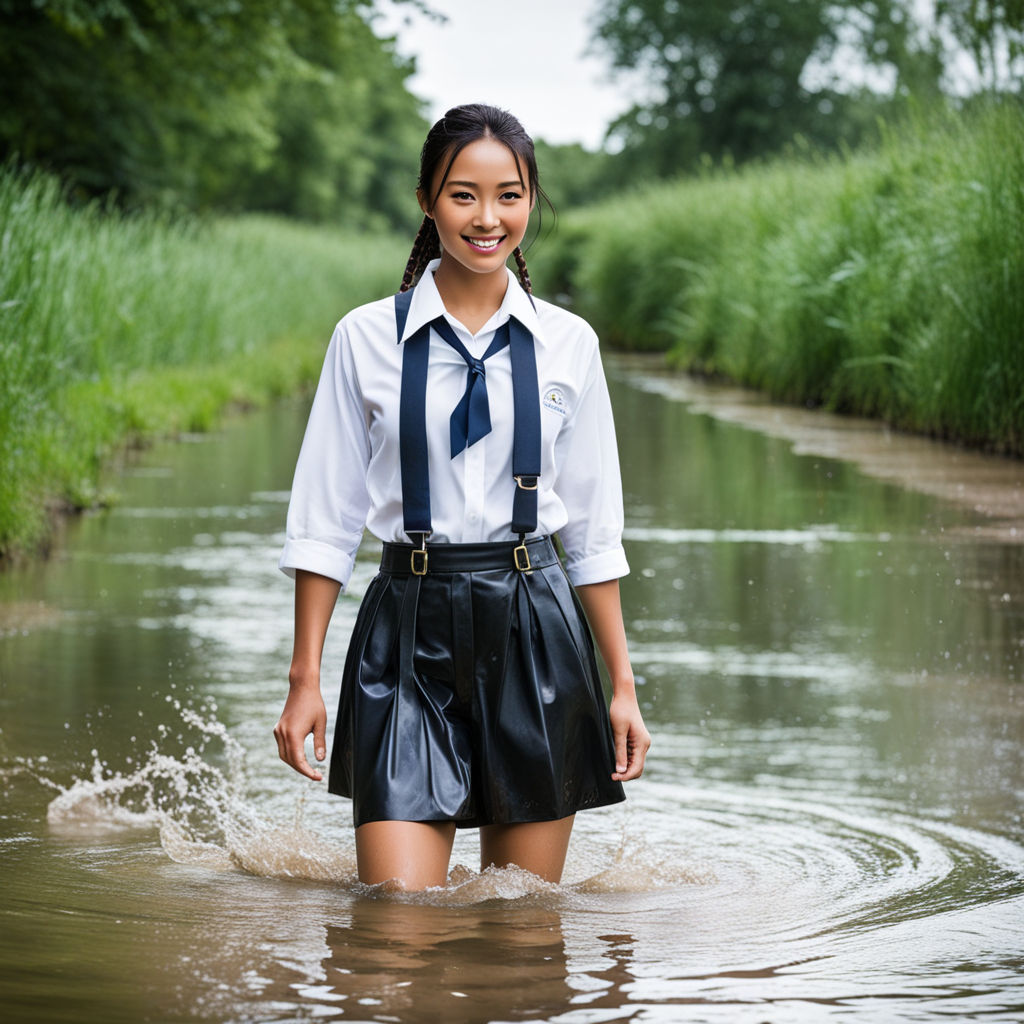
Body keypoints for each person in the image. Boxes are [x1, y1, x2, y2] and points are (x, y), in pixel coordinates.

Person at [273, 103, 650, 891]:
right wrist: (304, 679)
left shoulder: (569, 345)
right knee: (396, 921)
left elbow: (590, 531)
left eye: (509, 195)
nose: (488, 219)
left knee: (521, 931)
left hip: (537, 628)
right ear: (426, 200)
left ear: (531, 202)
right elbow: (325, 522)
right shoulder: (364, 337)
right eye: (463, 195)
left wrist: (622, 685)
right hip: (406, 627)